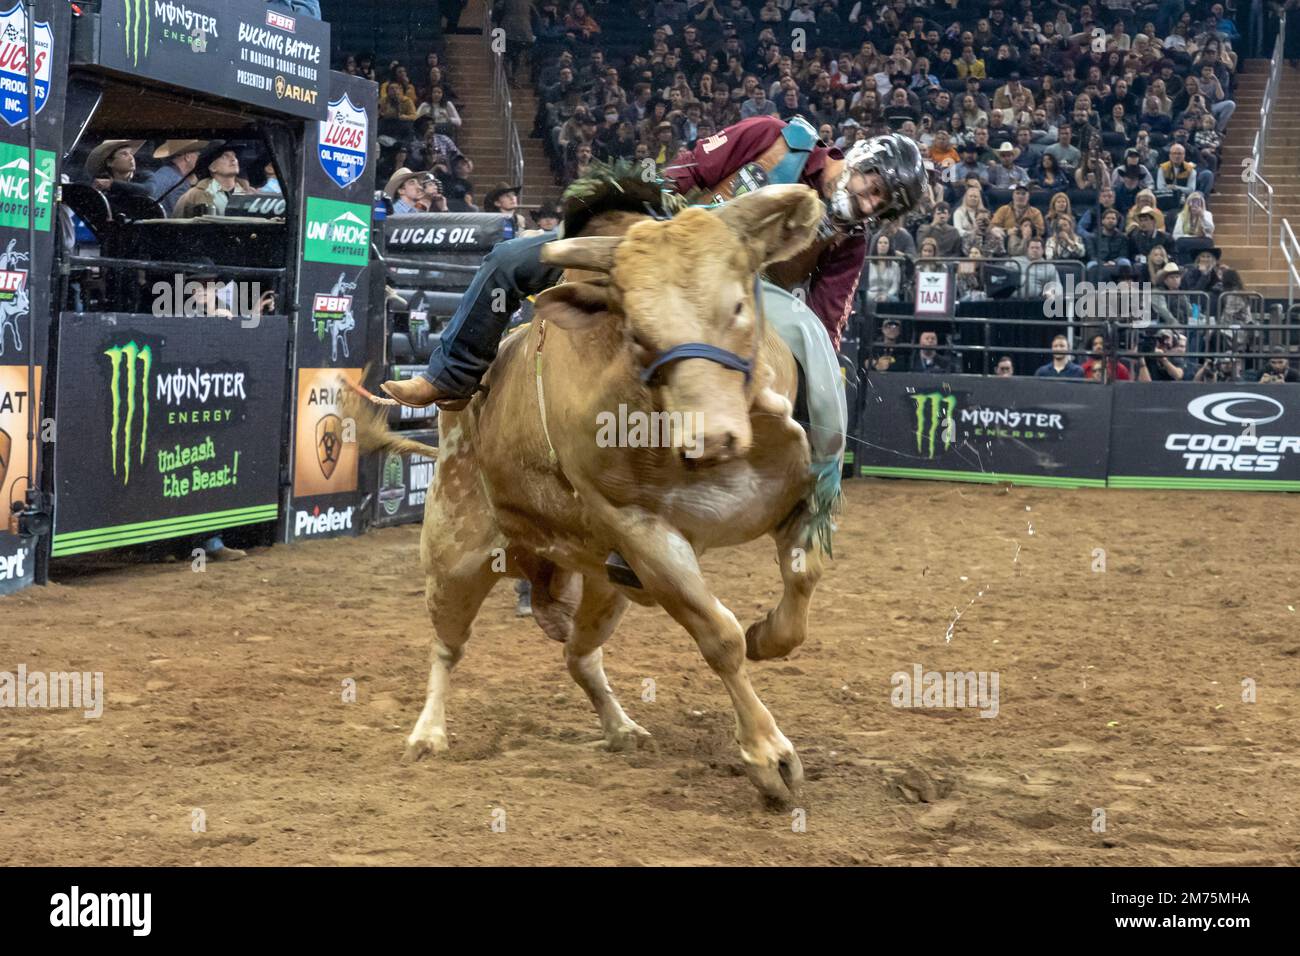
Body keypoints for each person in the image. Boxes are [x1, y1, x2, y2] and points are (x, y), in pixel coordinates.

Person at [380, 120, 927, 409]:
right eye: (872, 188)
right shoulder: (772, 138)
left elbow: (826, 320)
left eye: (882, 206)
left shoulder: (848, 241)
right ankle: (450, 378)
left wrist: (820, 377)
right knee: (507, 260)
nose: (869, 204)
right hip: (666, 245)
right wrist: (637, 226)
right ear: (861, 160)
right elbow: (682, 173)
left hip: (727, 312)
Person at [146, 140, 211, 216]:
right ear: (187, 157)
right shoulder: (179, 183)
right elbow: (180, 218)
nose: (199, 158)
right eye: (197, 154)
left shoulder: (164, 171)